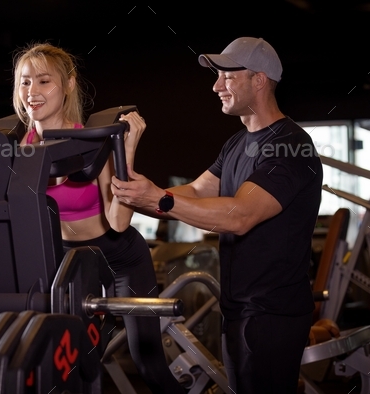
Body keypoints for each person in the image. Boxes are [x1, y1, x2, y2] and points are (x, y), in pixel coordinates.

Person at [0, 42, 184, 394]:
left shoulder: (92, 142)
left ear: (67, 84)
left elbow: (119, 222)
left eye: (43, 81)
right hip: (65, 264)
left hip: (118, 256)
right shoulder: (16, 150)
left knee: (147, 361)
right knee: (72, 362)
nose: (32, 92)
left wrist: (125, 151)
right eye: (24, 82)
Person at [111, 37, 324, 393]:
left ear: (258, 79)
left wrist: (159, 200)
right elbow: (194, 192)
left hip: (272, 313)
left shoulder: (291, 145)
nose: (216, 86)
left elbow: (240, 215)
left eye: (227, 76)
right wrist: (139, 194)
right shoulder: (237, 144)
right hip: (238, 308)